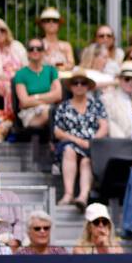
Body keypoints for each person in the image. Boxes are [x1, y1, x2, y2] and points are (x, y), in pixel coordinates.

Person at [53, 69, 108, 208]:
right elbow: (58, 131)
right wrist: (77, 140)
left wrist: (92, 141)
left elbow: (104, 126)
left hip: (92, 145)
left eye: (83, 83)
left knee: (86, 162)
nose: (79, 86)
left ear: (87, 86)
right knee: (69, 150)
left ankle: (83, 197)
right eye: (75, 83)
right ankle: (68, 194)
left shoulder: (96, 104)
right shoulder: (63, 106)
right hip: (70, 143)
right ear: (71, 86)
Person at [12, 36, 63, 131]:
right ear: (27, 53)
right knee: (50, 112)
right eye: (31, 49)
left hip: (50, 109)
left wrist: (35, 97)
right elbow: (24, 102)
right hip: (30, 114)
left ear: (43, 52)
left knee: (51, 111)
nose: (35, 51)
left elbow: (58, 95)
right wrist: (49, 97)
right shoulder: (21, 74)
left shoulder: (51, 70)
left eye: (39, 49)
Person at [36, 6, 76, 73]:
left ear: (59, 24)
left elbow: (71, 64)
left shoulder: (66, 45)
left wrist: (56, 65)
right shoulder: (37, 44)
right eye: (47, 20)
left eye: (55, 21)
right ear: (42, 24)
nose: (51, 23)